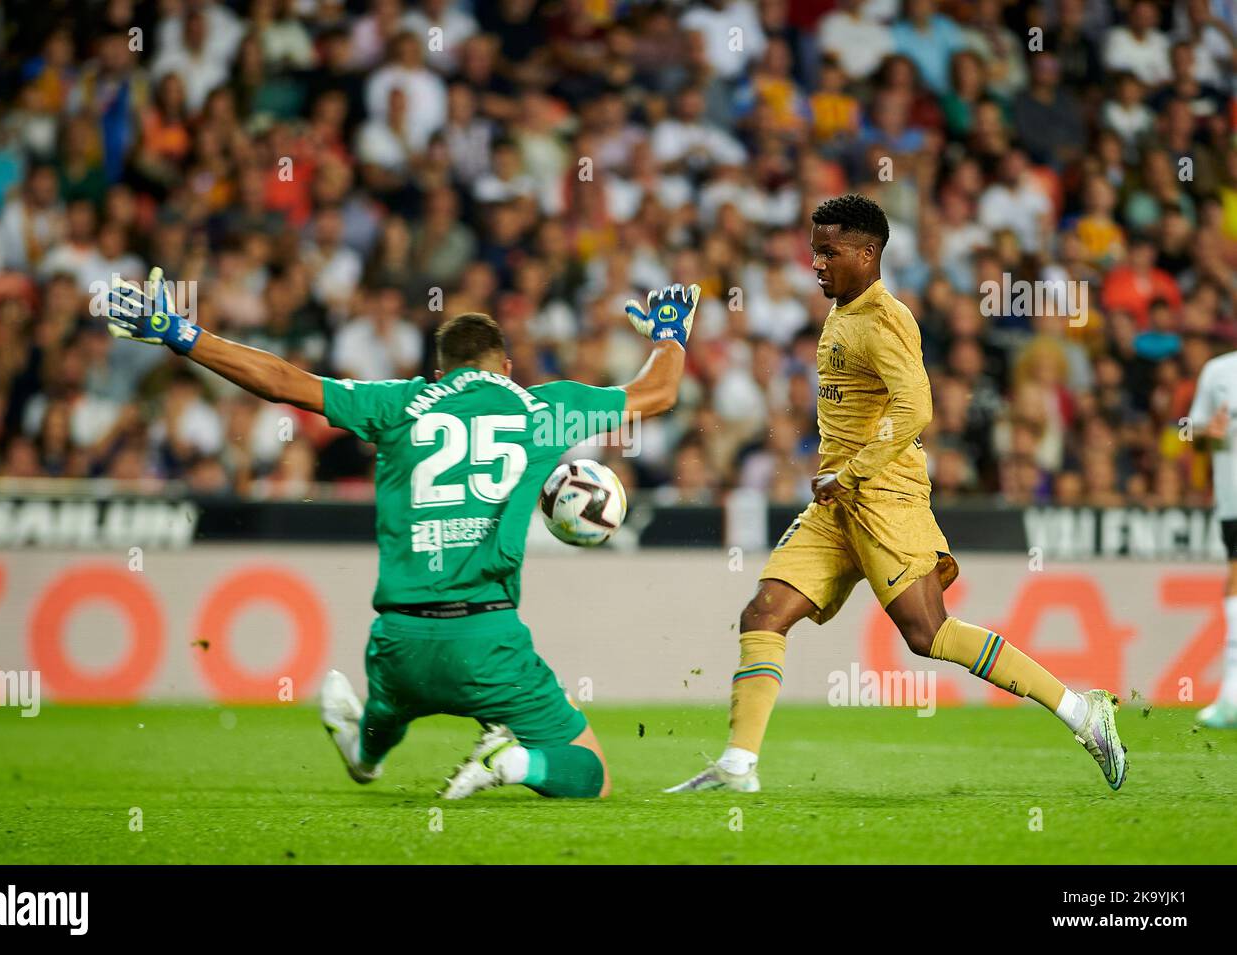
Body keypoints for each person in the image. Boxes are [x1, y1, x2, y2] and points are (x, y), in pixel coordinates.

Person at [107, 268, 700, 798]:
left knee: (383, 723)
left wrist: (180, 334)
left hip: (397, 643)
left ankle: (365, 754)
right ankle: (511, 759)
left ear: (440, 372)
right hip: (488, 641)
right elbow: (659, 392)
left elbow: (282, 381)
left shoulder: (399, 405)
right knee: (589, 774)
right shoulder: (541, 412)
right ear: (507, 367)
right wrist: (670, 333)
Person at [666, 194, 1128, 794]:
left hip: (884, 497)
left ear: (867, 252)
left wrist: (852, 472)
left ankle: (1082, 713)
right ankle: (738, 766)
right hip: (837, 505)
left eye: (829, 252)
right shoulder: (841, 312)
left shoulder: (885, 320)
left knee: (927, 632)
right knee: (764, 613)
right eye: (814, 252)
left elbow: (917, 406)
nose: (817, 264)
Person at [1185, 350, 1237, 728]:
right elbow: (1188, 430)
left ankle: (1231, 695)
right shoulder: (1218, 371)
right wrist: (1206, 434)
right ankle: (1231, 695)